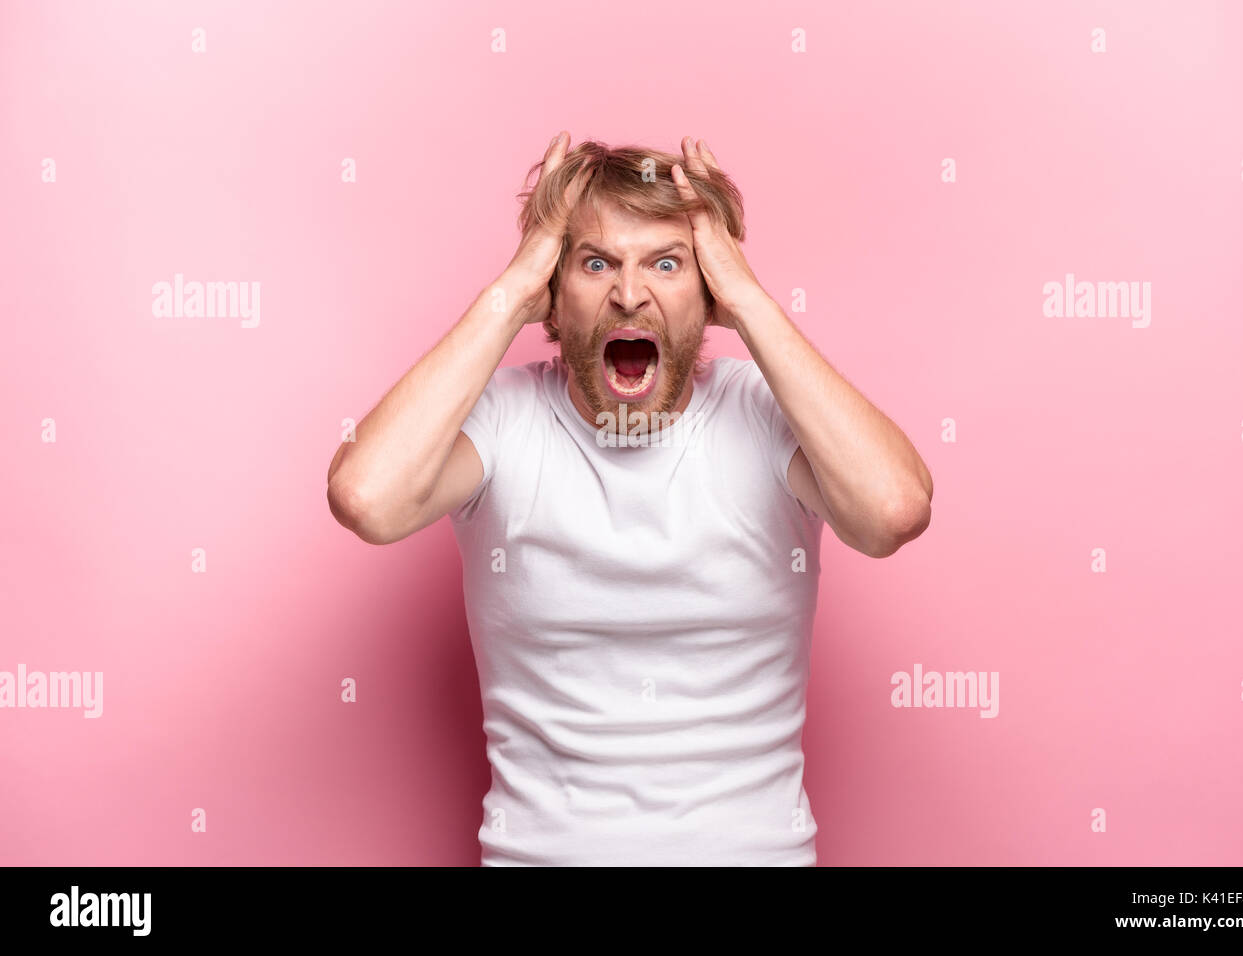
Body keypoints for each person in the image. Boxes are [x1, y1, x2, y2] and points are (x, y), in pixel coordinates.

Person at [326, 132, 934, 866]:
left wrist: (747, 299)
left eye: (667, 264)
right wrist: (511, 289)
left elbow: (893, 512)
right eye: (595, 262)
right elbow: (366, 497)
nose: (629, 293)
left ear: (707, 291)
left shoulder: (765, 413)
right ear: (554, 294)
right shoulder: (503, 418)